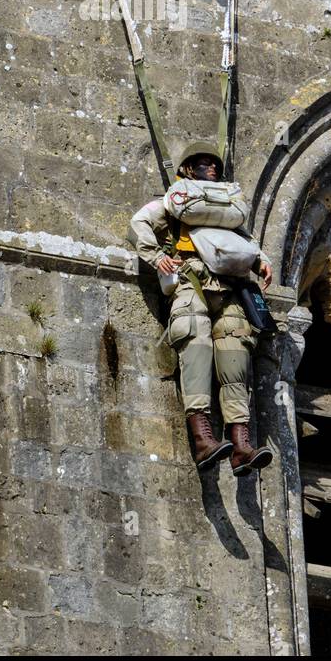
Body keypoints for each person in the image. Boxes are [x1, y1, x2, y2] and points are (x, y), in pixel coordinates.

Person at [129, 141, 273, 475]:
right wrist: (156, 256)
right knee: (196, 348)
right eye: (202, 162)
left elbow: (246, 242)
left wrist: (261, 262)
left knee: (234, 357)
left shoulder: (226, 209)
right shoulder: (176, 202)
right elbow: (138, 223)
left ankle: (241, 446)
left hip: (231, 288)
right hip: (190, 280)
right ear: (188, 169)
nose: (210, 166)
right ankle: (203, 439)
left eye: (213, 162)